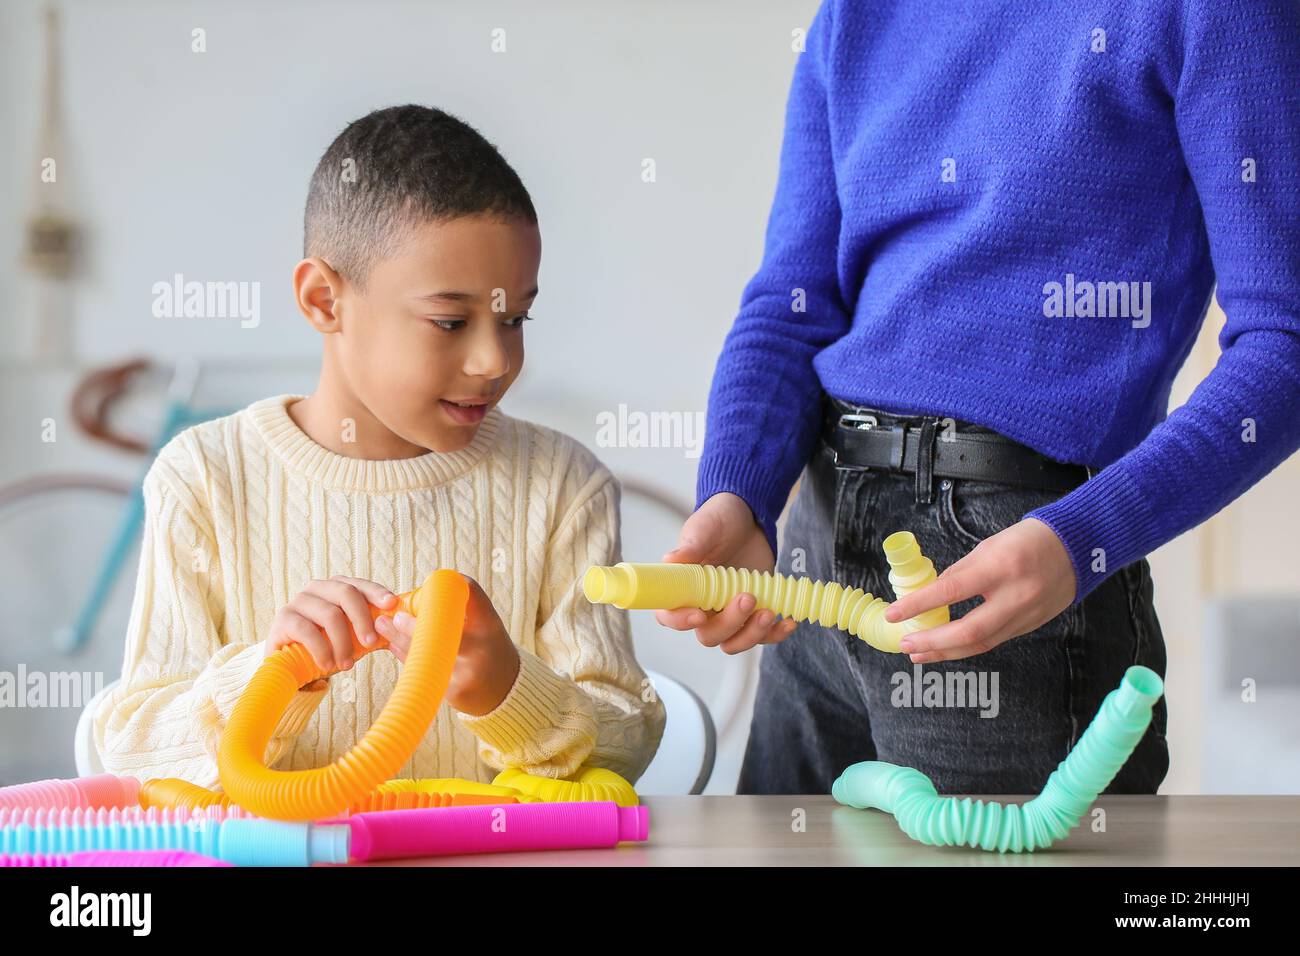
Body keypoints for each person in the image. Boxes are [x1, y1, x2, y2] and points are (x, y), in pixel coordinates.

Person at [659, 0, 1300, 794]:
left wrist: (1083, 539)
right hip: (815, 552)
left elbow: (1286, 343)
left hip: (1012, 571)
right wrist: (737, 494)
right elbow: (790, 305)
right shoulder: (853, 17)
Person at [93, 105, 665, 788]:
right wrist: (270, 676)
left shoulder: (564, 485)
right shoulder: (204, 478)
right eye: (450, 321)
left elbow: (627, 739)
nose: (493, 360)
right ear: (323, 300)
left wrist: (509, 692)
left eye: (515, 318)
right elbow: (130, 749)